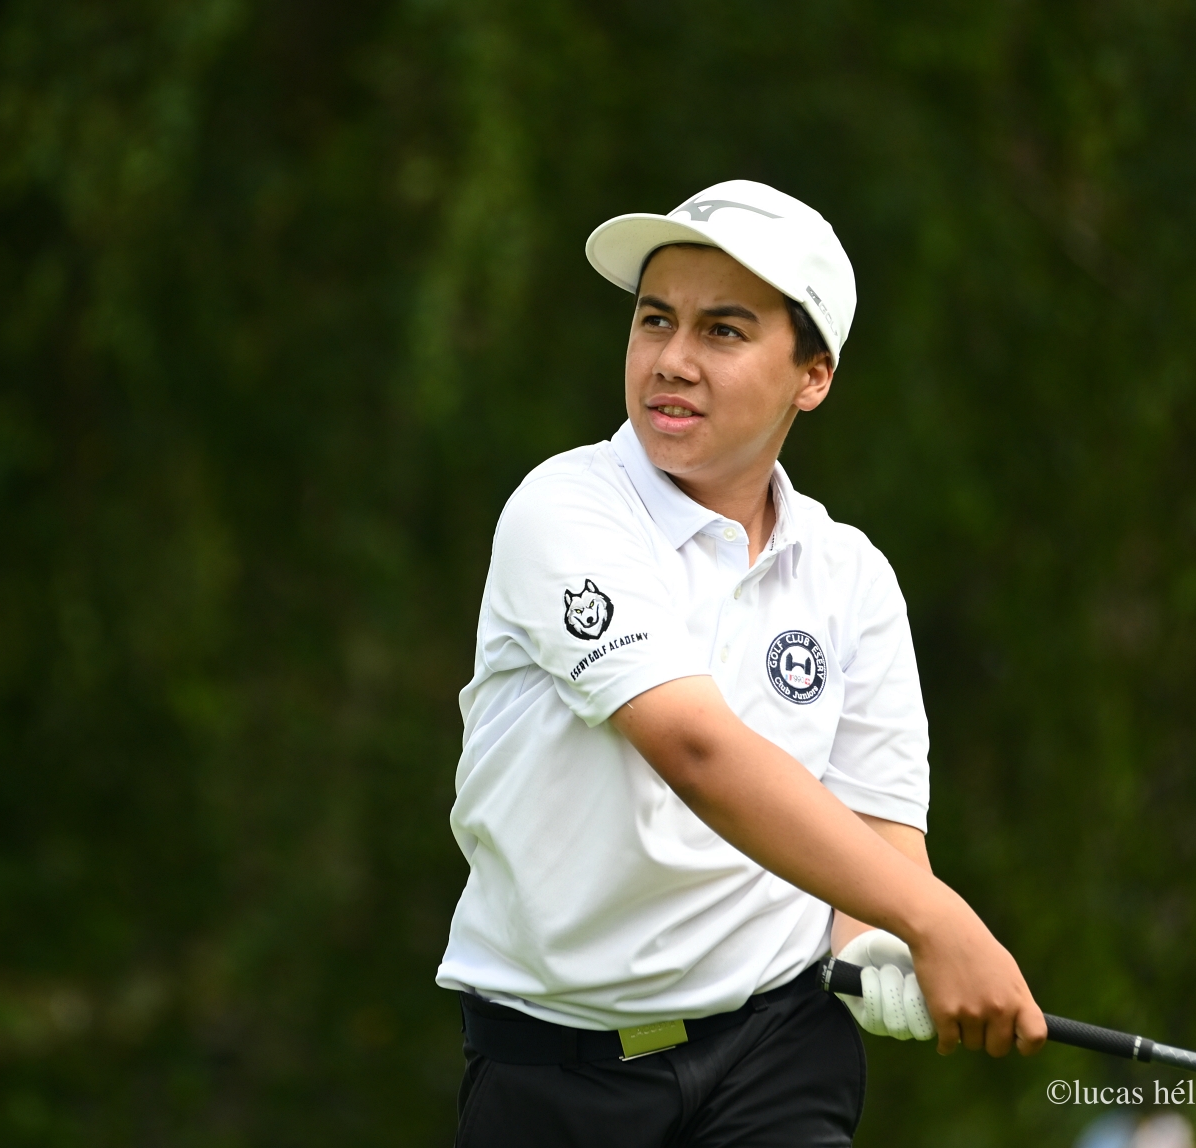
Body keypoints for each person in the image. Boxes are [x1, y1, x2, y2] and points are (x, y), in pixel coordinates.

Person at [436, 180, 1046, 1147]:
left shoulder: (851, 576)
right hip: (553, 1070)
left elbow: (881, 830)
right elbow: (695, 749)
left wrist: (874, 936)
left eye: (723, 331)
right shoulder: (565, 509)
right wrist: (937, 923)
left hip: (776, 1049)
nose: (672, 361)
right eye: (654, 321)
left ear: (814, 375)